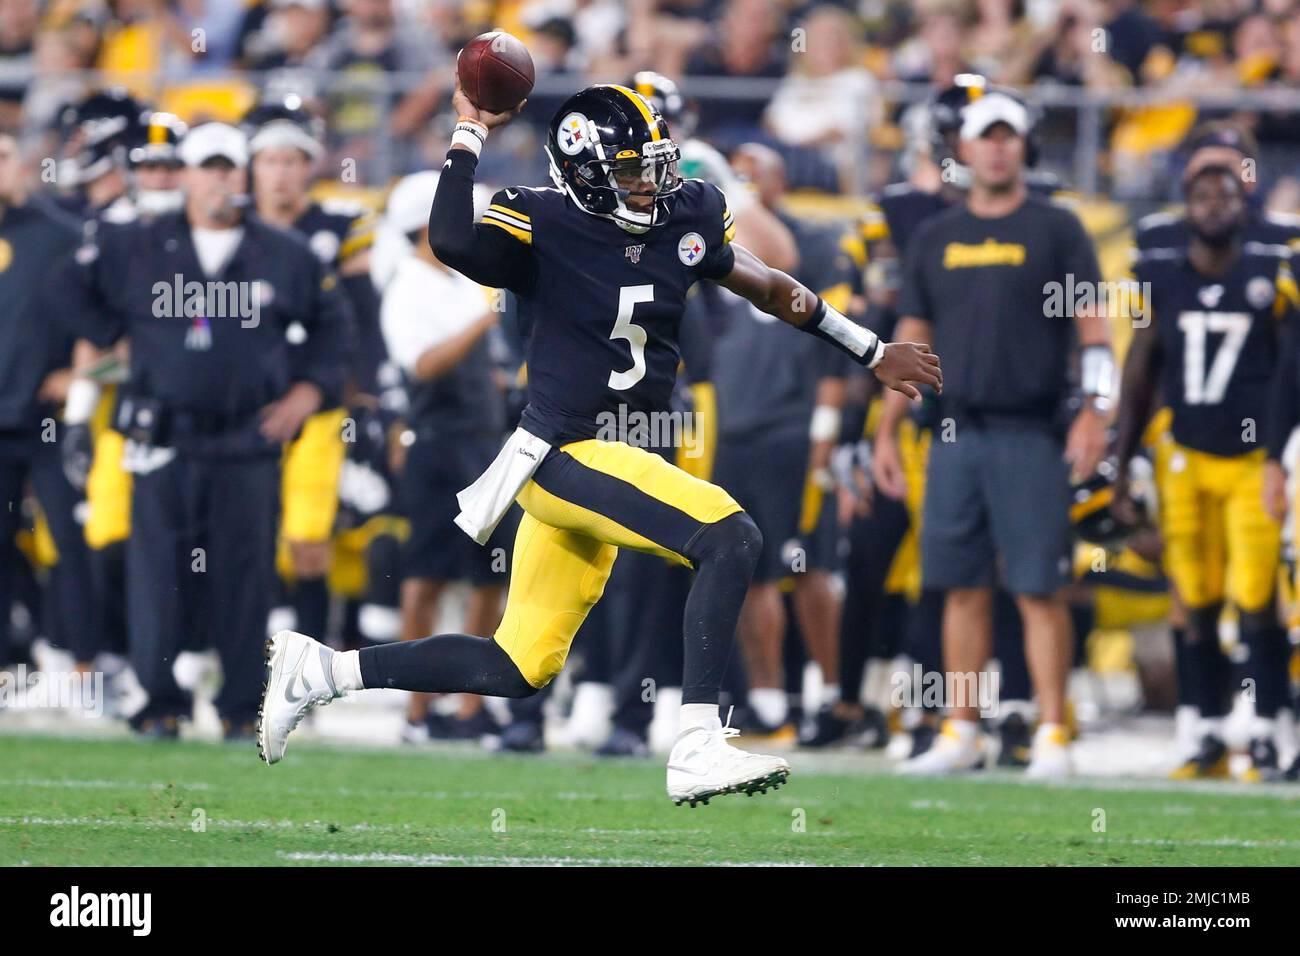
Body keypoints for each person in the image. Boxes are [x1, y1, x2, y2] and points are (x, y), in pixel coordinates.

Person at [258, 81, 941, 806]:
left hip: (620, 450)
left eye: (655, 166)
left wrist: (867, 350)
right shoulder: (542, 220)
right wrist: (469, 130)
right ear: (584, 174)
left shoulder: (689, 212)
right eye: (629, 171)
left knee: (514, 665)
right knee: (730, 536)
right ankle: (698, 742)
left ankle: (323, 672)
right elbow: (453, 239)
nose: (651, 185)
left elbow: (771, 288)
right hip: (562, 452)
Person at [62, 122, 347, 739]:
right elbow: (68, 293)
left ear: (241, 174)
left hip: (247, 438)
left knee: (244, 576)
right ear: (187, 176)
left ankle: (242, 705)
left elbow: (335, 330)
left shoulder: (284, 252)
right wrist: (112, 351)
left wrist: (307, 392)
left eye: (229, 166)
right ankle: (159, 700)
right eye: (207, 167)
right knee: (158, 573)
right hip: (162, 437)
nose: (220, 178)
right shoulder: (136, 246)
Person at [874, 89, 1111, 778]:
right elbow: (910, 340)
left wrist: (1097, 413)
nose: (998, 146)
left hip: (1032, 429)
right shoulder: (936, 236)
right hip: (952, 433)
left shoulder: (1058, 228)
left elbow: (1095, 331)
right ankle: (961, 729)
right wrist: (887, 430)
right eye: (986, 136)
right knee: (960, 586)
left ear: (1024, 146)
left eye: (1010, 135)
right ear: (965, 149)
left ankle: (1054, 735)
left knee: (1039, 588)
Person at [1117, 163, 1296, 782]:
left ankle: (1273, 729)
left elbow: (1288, 373)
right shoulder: (1161, 275)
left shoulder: (1273, 272)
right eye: (1201, 194)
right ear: (1184, 206)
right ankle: (1203, 729)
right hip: (1184, 456)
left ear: (1245, 203)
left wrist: (1276, 455)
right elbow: (1139, 372)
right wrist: (1119, 468)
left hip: (1251, 461)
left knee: (1254, 598)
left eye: (1226, 193)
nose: (1214, 204)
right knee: (1194, 598)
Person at [377, 170, 510, 743]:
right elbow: (422, 365)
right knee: (427, 573)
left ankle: (469, 704)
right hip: (437, 440)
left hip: (482, 440)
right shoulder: (407, 286)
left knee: (488, 574)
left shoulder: (457, 282)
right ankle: (415, 709)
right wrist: (483, 320)